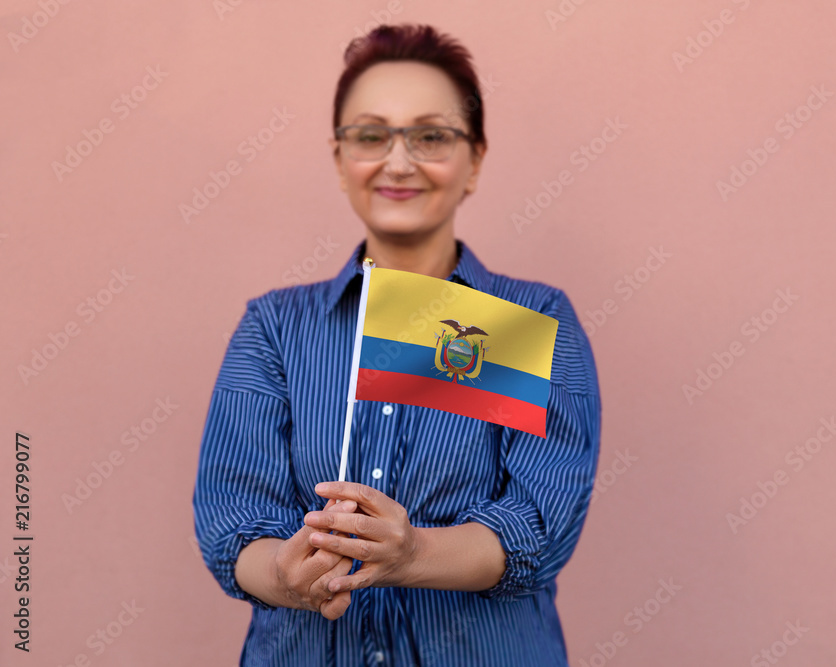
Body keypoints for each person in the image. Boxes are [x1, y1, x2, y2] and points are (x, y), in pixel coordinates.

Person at [193, 23, 601, 666]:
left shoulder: (528, 321)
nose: (399, 160)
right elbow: (233, 515)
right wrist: (283, 574)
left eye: (431, 135)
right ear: (339, 159)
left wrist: (411, 554)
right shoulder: (275, 326)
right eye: (371, 135)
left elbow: (538, 526)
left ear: (475, 160)